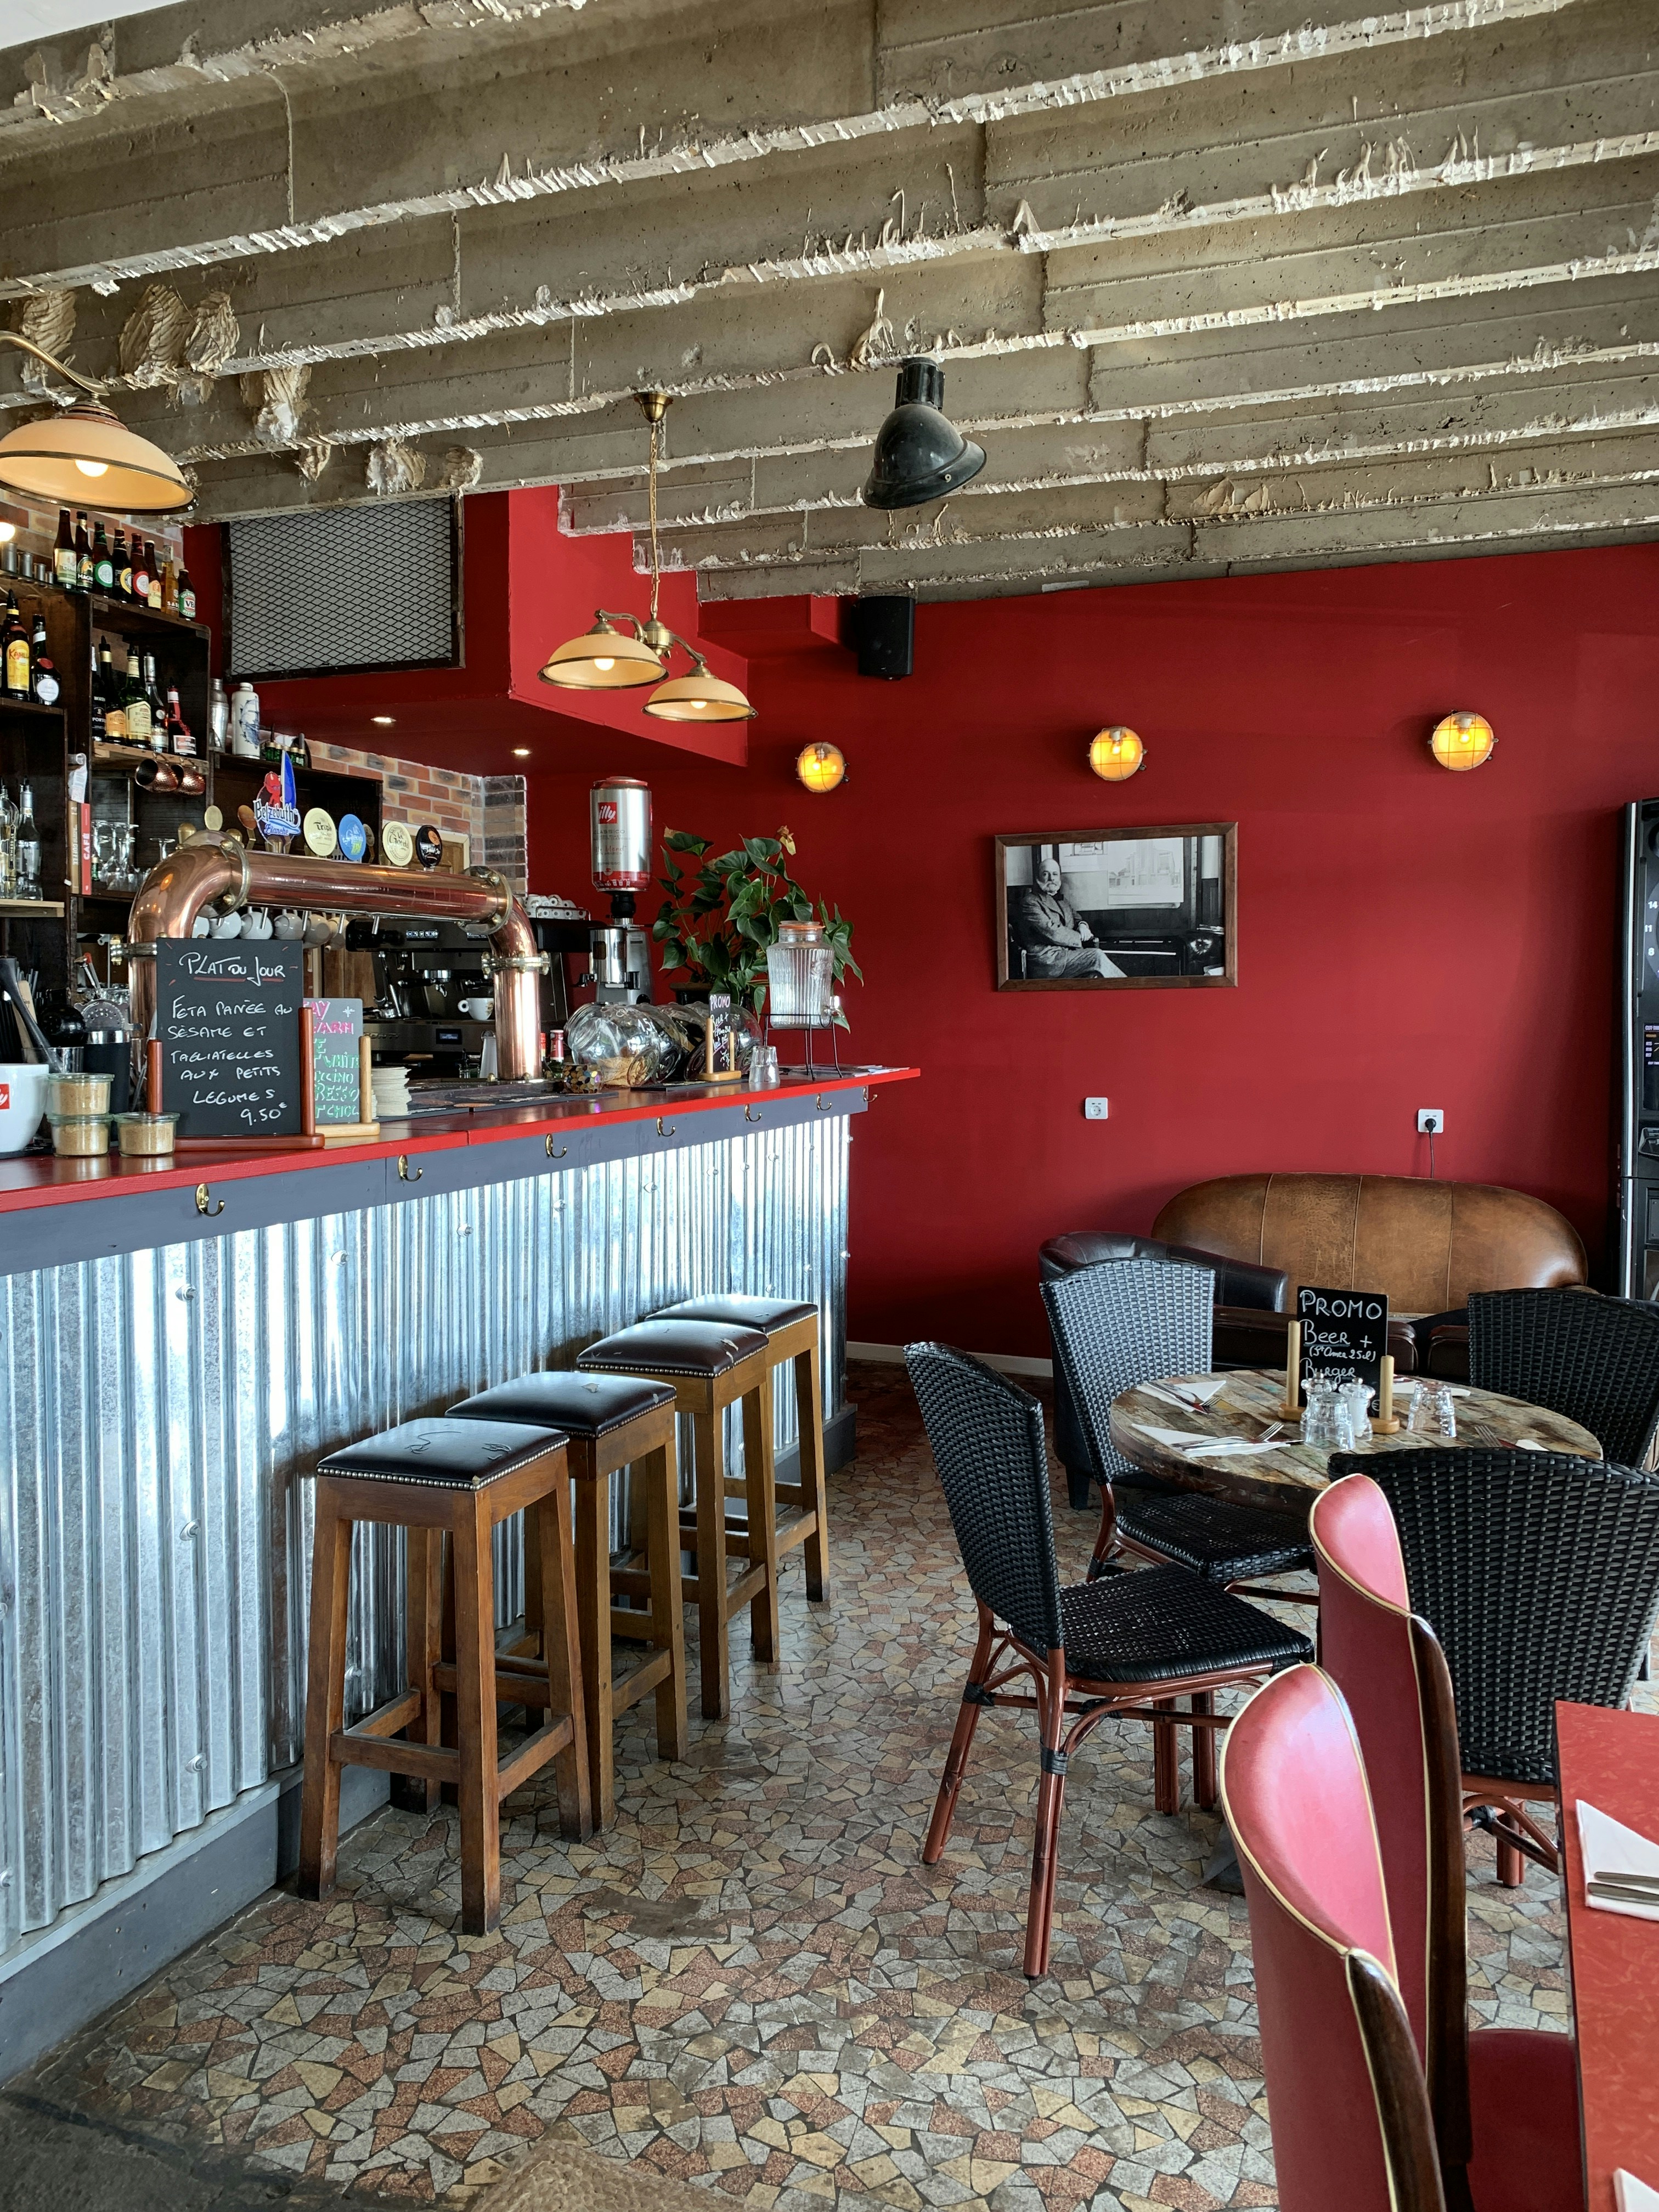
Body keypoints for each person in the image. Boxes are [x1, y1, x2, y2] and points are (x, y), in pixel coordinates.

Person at [1009, 854, 1124, 979]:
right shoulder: (1030, 902)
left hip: (1068, 956)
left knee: (1094, 975)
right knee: (1097, 956)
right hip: (1048, 962)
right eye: (1046, 874)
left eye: (1055, 874)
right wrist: (1080, 936)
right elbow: (1052, 932)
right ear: (1038, 878)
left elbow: (1077, 918)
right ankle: (1127, 988)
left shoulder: (1063, 901)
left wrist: (1082, 926)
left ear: (1059, 878)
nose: (1051, 878)